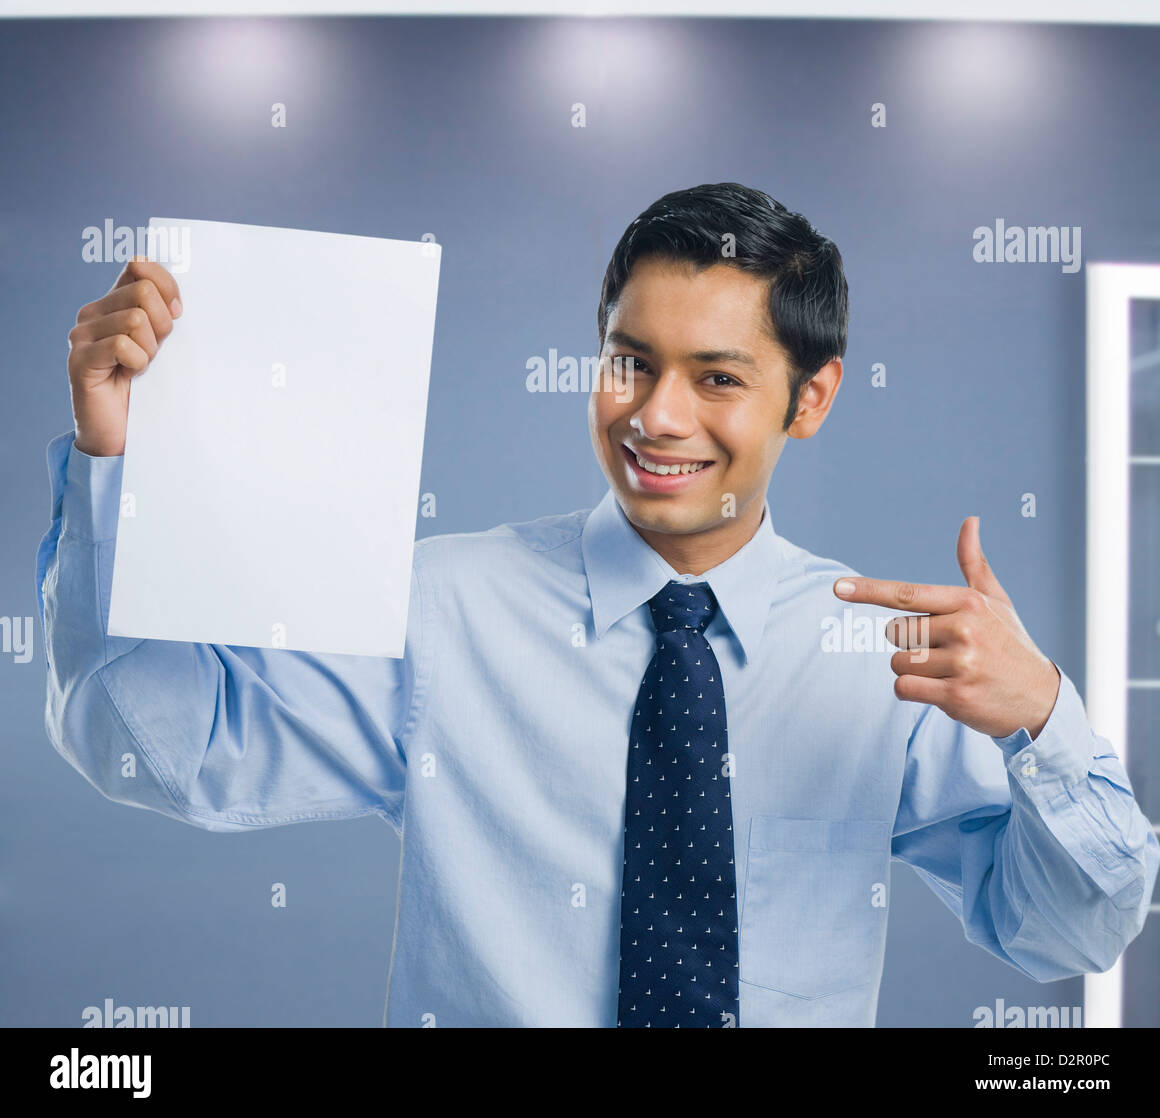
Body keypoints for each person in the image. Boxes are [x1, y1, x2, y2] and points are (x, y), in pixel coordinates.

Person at [38, 182, 1158, 1028]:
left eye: (716, 377)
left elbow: (1073, 925)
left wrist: (1043, 719)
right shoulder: (437, 609)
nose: (655, 417)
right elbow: (150, 746)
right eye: (630, 362)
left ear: (808, 397)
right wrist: (117, 461)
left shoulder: (879, 655)